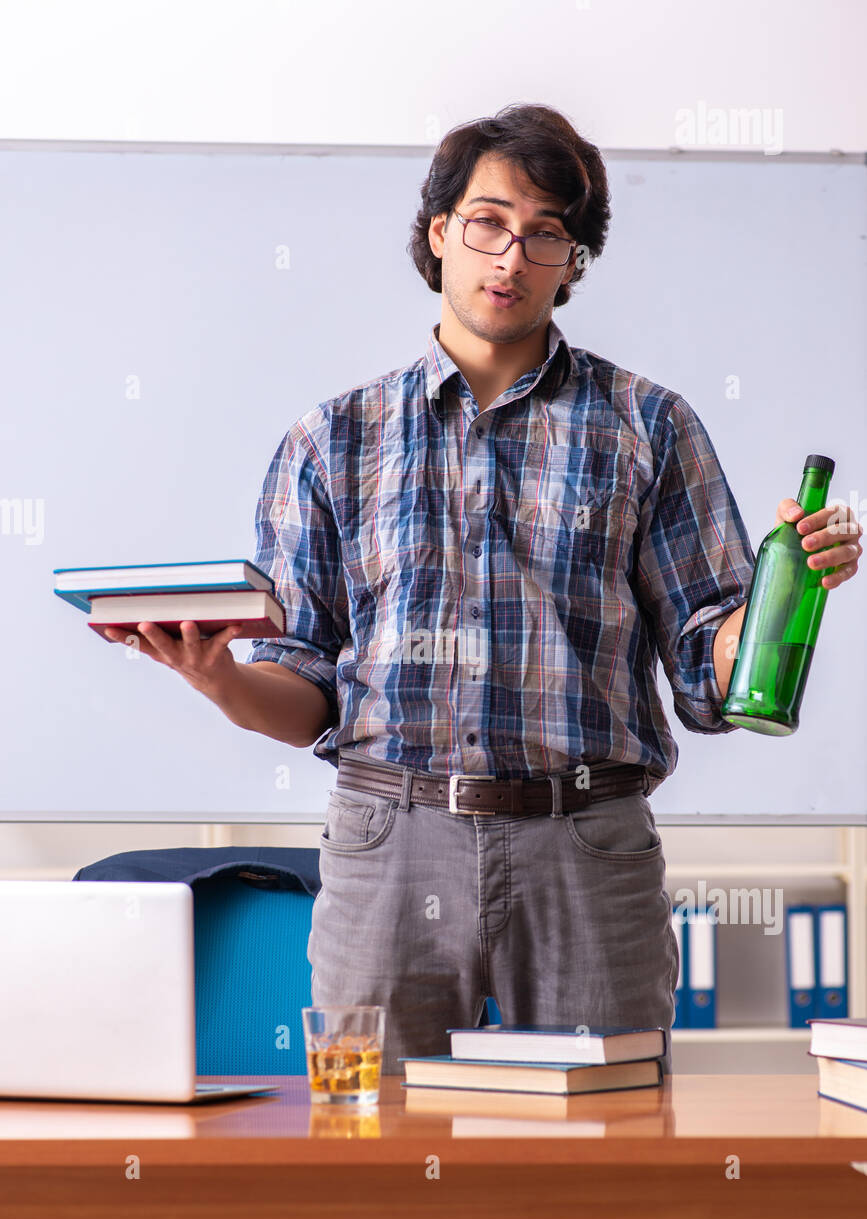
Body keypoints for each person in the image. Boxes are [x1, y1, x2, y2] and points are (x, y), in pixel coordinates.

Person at [104, 103, 862, 1076]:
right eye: (489, 222)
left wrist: (776, 603)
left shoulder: (650, 426)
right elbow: (304, 699)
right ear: (439, 233)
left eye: (548, 232)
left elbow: (710, 675)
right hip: (388, 847)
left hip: (587, 847)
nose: (512, 256)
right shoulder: (330, 442)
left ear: (573, 262)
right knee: (369, 1151)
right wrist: (215, 676)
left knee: (605, 1160)